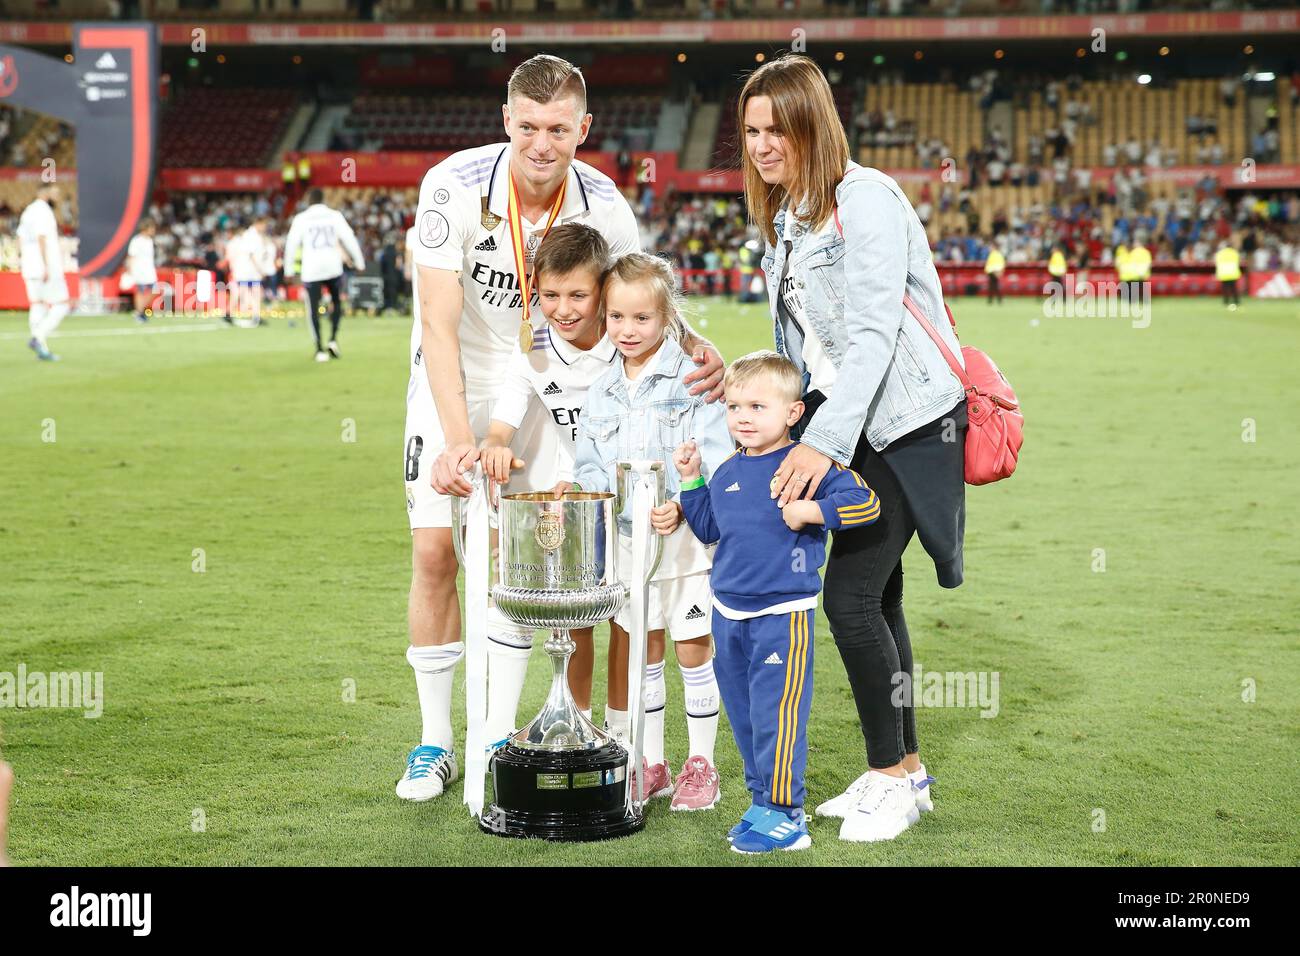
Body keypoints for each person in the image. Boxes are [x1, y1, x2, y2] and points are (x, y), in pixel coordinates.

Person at [397, 54, 724, 803]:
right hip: (461, 374)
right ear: (506, 121)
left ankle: (570, 730)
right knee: (436, 551)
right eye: (529, 126)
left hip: (549, 382)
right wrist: (459, 441)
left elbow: (642, 297)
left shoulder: (604, 201)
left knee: (565, 562)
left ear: (584, 127)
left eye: (559, 129)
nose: (543, 144)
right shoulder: (452, 185)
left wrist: (693, 342)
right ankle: (435, 743)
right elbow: (437, 325)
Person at [740, 54, 968, 843]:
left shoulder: (862, 199)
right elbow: (805, 355)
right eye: (752, 130)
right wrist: (755, 396)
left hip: (907, 423)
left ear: (814, 124)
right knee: (881, 598)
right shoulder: (793, 220)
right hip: (852, 423)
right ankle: (902, 771)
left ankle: (894, 777)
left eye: (778, 128)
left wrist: (823, 449)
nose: (763, 145)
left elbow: (872, 335)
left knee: (849, 598)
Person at [676, 351, 879, 853]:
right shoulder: (726, 471)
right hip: (727, 614)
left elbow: (867, 504)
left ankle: (788, 814)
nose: (743, 418)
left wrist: (813, 510)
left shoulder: (808, 466)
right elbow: (709, 530)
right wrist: (691, 481)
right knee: (743, 716)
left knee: (777, 715)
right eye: (734, 407)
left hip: (781, 616)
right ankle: (760, 802)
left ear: (792, 413)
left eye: (758, 407)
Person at [572, 252, 734, 810]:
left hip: (685, 543)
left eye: (642, 319)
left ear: (668, 319)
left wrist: (682, 504)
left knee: (692, 648)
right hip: (626, 544)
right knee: (645, 648)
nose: (628, 330)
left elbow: (716, 455)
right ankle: (653, 761)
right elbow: (588, 463)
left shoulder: (693, 381)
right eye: (617, 317)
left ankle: (701, 764)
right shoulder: (601, 390)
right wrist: (589, 492)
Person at [477, 223, 618, 746]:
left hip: (632, 487)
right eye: (550, 294)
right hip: (576, 486)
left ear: (603, 289)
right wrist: (496, 441)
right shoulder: (533, 340)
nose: (562, 308)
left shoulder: (626, 335)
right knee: (568, 607)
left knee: (630, 617)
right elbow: (511, 403)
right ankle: (560, 727)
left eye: (578, 294)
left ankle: (617, 731)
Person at [284, 188, 365, 361]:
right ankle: (333, 339)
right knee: (336, 302)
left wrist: (288, 270)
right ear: (323, 200)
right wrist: (359, 262)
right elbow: (349, 238)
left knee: (313, 308)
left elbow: (291, 244)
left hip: (312, 269)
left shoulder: (301, 219)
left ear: (309, 200)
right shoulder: (334, 216)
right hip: (332, 267)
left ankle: (319, 348)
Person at [18, 183, 70, 362]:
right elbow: (41, 237)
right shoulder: (44, 212)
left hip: (28, 264)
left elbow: (20, 237)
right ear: (47, 193)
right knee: (62, 304)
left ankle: (41, 348)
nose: (58, 195)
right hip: (45, 264)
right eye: (56, 192)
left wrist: (22, 259)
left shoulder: (28, 211)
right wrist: (46, 265)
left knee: (37, 304)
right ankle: (38, 337)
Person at [123, 220, 159, 324]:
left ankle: (141, 310)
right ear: (145, 229)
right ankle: (139, 313)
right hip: (139, 270)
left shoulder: (150, 241)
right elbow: (131, 256)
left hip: (150, 270)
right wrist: (129, 269)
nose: (153, 230)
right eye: (151, 228)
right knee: (140, 291)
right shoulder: (136, 240)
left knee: (154, 290)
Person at [1215, 238, 1241, 311]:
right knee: (1234, 288)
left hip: (1223, 273)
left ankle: (1226, 301)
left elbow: (1217, 262)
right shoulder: (1235, 253)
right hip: (1233, 272)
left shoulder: (1220, 253)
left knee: (1225, 288)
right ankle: (1236, 301)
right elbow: (1238, 261)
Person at [983, 237, 1005, 304]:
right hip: (993, 272)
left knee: (993, 286)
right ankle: (996, 299)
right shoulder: (995, 254)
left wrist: (998, 272)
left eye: (991, 247)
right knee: (993, 286)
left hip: (994, 272)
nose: (990, 248)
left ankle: (995, 299)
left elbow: (999, 264)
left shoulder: (996, 254)